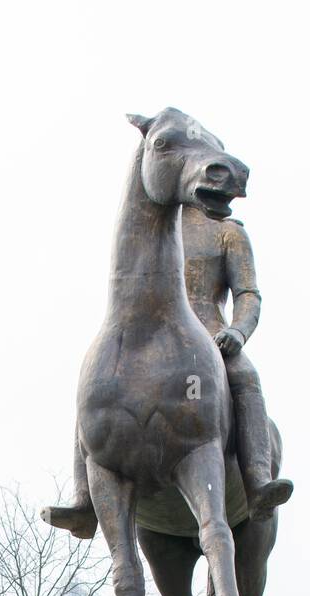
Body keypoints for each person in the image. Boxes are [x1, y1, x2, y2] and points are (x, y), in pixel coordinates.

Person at [46, 207, 292, 538]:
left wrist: (238, 331)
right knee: (98, 386)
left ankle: (258, 480)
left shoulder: (226, 231)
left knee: (245, 376)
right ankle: (83, 501)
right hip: (145, 339)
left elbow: (248, 294)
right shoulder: (147, 225)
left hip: (210, 337)